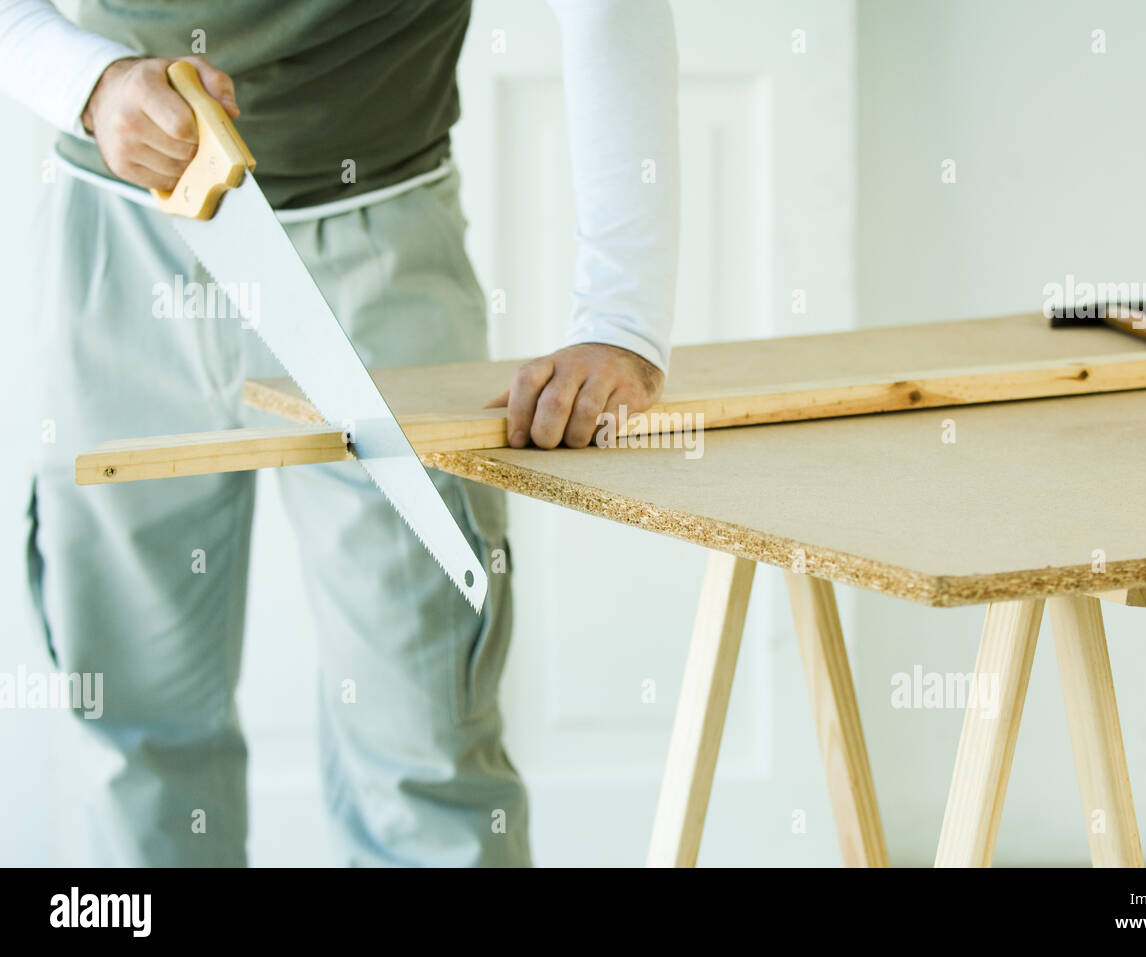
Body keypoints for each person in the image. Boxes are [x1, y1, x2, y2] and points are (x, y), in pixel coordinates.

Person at [0, 0, 679, 866]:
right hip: (118, 237)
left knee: (426, 748)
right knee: (131, 741)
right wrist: (88, 83)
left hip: (377, 236)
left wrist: (623, 319)